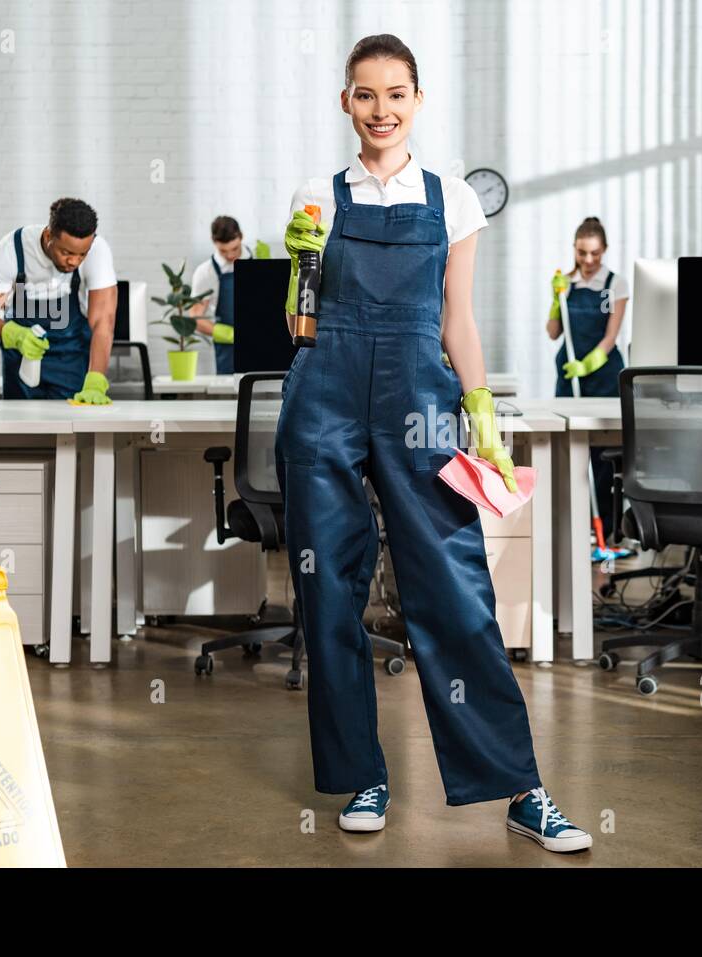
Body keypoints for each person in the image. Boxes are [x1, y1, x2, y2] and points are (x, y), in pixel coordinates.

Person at [275, 34, 591, 853]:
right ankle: (363, 774)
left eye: (396, 95)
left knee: (454, 587)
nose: (382, 110)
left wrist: (479, 405)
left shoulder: (453, 197)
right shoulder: (319, 191)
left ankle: (522, 788)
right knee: (330, 592)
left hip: (420, 396)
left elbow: (457, 316)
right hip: (325, 395)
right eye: (366, 94)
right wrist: (298, 266)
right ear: (346, 101)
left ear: (418, 101)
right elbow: (296, 326)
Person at [0, 198, 117, 403]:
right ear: (49, 235)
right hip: (20, 363)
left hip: (70, 362)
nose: (74, 262)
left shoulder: (98, 250)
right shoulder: (12, 249)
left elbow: (103, 321)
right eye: (66, 252)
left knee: (69, 431)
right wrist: (15, 335)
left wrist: (96, 379)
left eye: (82, 255)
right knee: (22, 431)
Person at [546, 217, 630, 540]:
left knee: (604, 456)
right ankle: (575, 530)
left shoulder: (615, 284)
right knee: (570, 453)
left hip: (604, 379)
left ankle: (607, 529)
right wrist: (556, 300)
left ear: (604, 250)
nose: (589, 261)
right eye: (582, 253)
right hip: (570, 380)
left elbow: (610, 338)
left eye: (595, 253)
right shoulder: (564, 282)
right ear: (575, 250)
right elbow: (554, 333)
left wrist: (589, 363)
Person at [190, 215, 251, 374]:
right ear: (213, 241)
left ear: (241, 237)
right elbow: (195, 317)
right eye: (223, 251)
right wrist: (230, 334)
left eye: (234, 249)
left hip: (259, 341)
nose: (230, 256)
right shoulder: (205, 272)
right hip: (227, 348)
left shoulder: (259, 257)